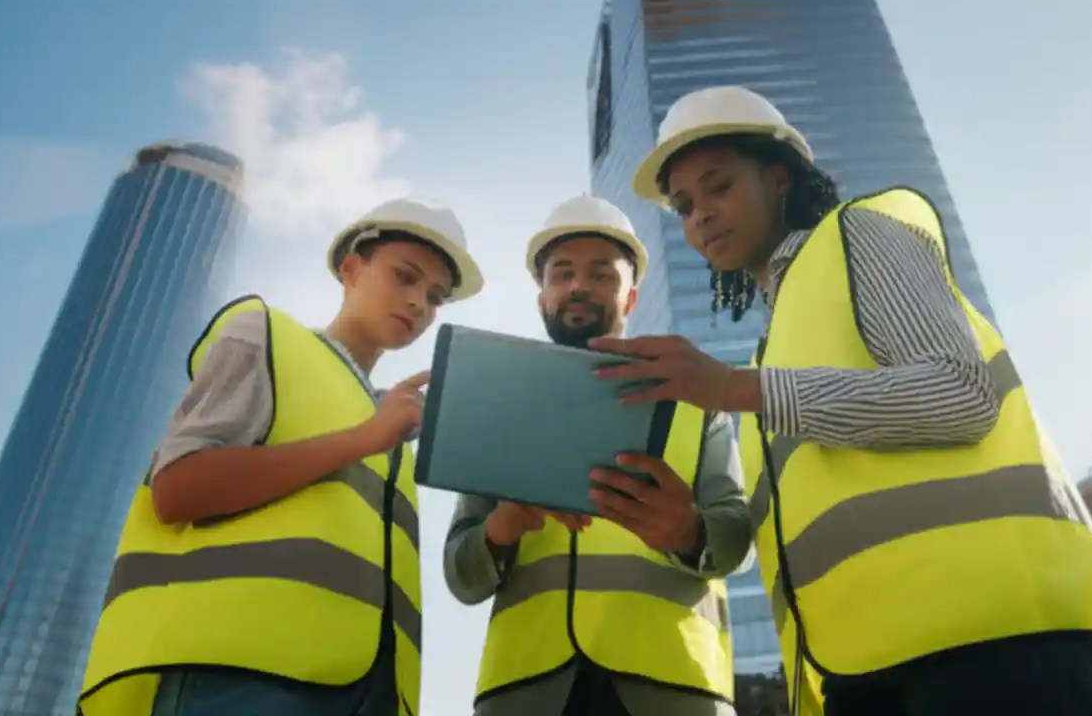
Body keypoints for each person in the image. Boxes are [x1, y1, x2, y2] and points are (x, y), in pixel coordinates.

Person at [592, 85, 1092, 716]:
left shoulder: (858, 234)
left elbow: (962, 395)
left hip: (998, 645)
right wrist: (689, 528)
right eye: (685, 206)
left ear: (779, 178)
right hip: (861, 677)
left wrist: (734, 390)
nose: (701, 217)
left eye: (718, 187)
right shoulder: (764, 362)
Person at [77, 197, 484, 716]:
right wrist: (363, 438)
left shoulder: (393, 429)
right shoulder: (266, 337)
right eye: (404, 277)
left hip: (369, 692)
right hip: (236, 674)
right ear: (351, 268)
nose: (419, 305)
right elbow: (179, 488)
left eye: (435, 297)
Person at [444, 195, 751, 716]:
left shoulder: (695, 406)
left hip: (674, 684)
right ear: (541, 297)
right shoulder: (498, 414)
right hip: (525, 690)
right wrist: (505, 525)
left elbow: (739, 543)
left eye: (602, 275)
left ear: (631, 299)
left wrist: (689, 530)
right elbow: (460, 575)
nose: (578, 286)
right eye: (561, 275)